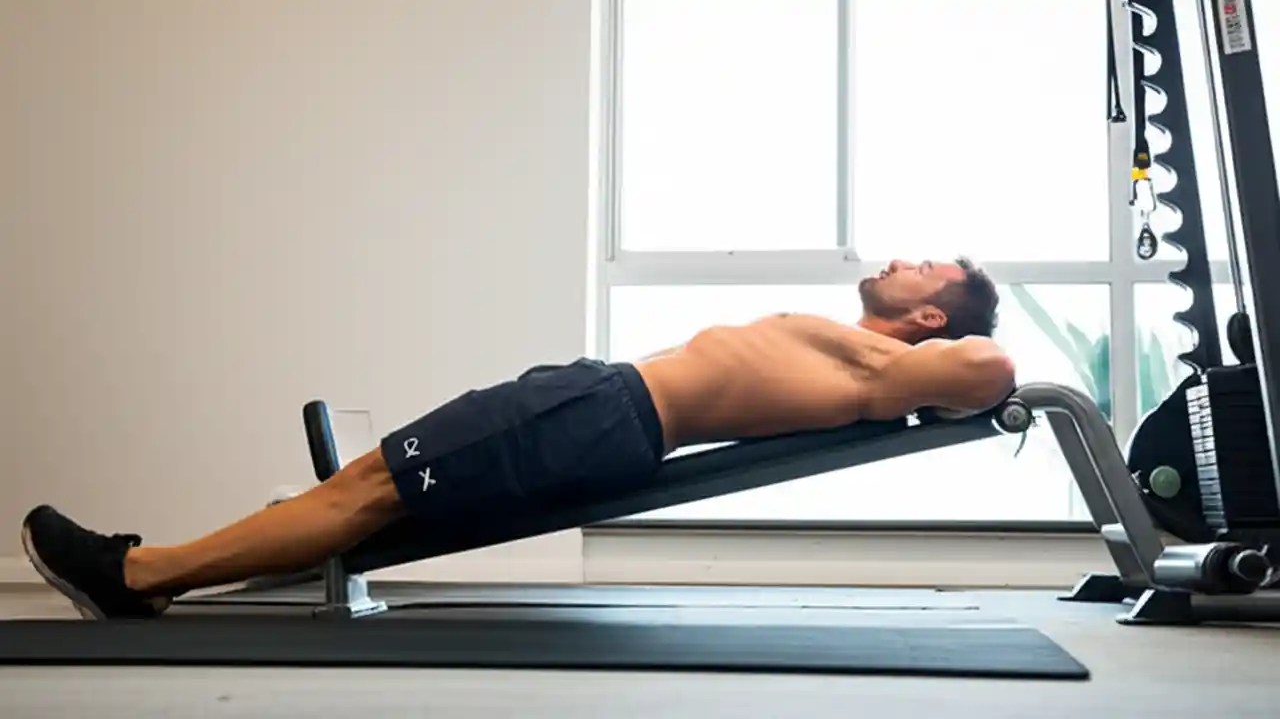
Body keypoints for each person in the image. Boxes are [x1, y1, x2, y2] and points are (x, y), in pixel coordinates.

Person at [21, 257, 1016, 620]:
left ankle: (139, 573)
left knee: (363, 498)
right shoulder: (861, 355)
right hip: (595, 401)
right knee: (366, 483)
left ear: (932, 319)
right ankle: (150, 571)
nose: (897, 259)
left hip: (604, 417)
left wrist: (962, 338)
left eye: (925, 266)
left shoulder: (886, 366)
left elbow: (994, 372)